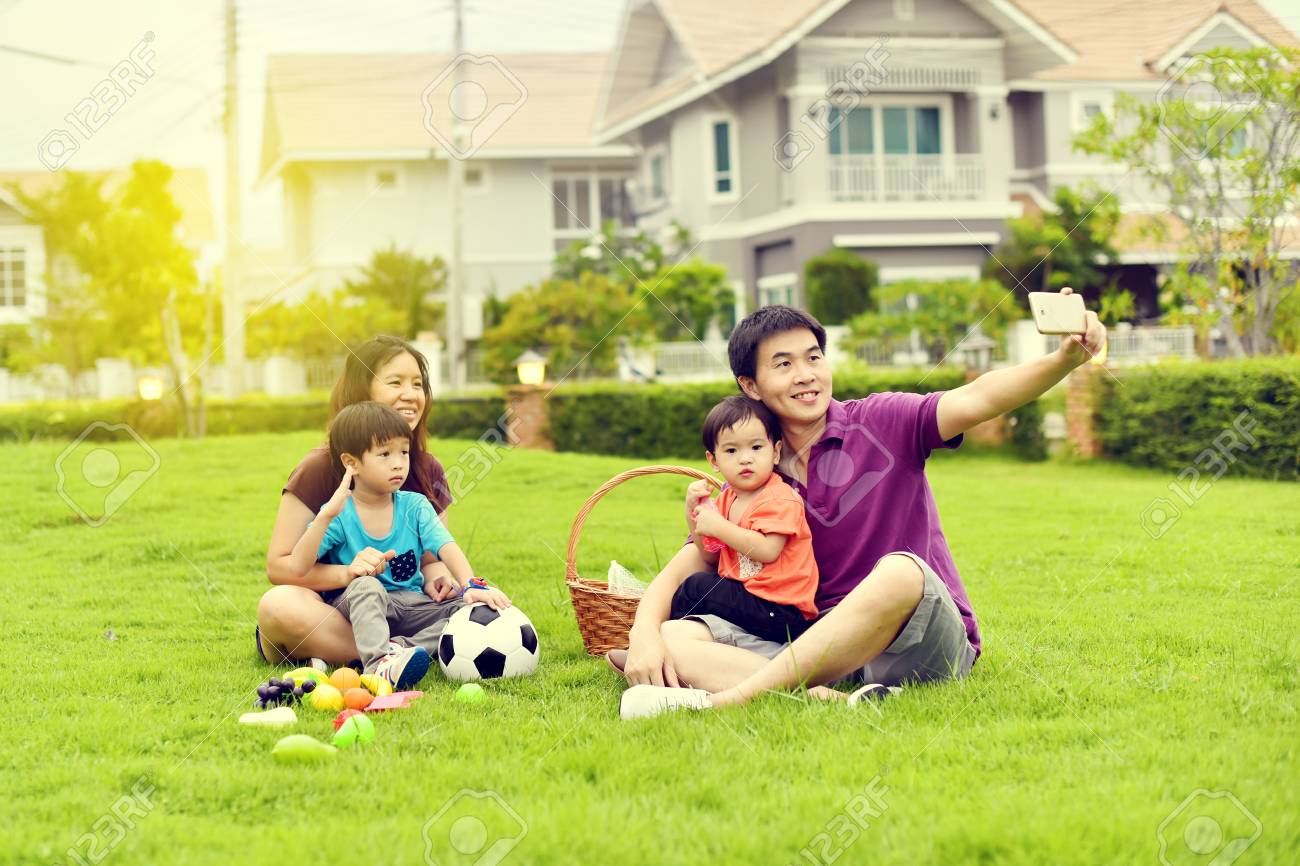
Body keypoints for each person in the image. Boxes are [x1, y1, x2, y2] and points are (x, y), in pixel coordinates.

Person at [619, 289, 1107, 719]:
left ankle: (730, 699)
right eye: (784, 364)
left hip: (917, 640)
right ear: (750, 386)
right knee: (679, 638)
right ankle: (826, 698)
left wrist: (1063, 360)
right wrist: (645, 631)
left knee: (901, 572)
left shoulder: (881, 421)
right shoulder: (752, 467)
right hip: (827, 650)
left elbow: (977, 398)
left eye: (814, 358)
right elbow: (696, 556)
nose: (806, 376)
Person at [256, 336, 457, 666]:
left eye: (418, 384)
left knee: (482, 605)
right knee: (277, 606)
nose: (411, 394)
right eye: (395, 382)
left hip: (404, 608)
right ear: (361, 392)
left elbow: (432, 560)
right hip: (333, 610)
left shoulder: (427, 468)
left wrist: (441, 578)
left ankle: (389, 652)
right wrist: (349, 574)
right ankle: (391, 655)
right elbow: (279, 566)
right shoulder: (319, 467)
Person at [287, 401, 511, 689]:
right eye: (384, 454)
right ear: (351, 462)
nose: (398, 463)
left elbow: (445, 545)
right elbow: (298, 565)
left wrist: (473, 585)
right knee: (368, 586)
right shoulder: (340, 514)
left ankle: (400, 650)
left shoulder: (415, 506)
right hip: (357, 605)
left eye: (403, 452)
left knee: (466, 609)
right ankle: (378, 666)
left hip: (410, 601)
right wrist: (326, 515)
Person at [667, 395, 818, 644]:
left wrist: (719, 525)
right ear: (714, 460)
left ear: (776, 452)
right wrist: (692, 512)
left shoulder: (779, 497)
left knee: (695, 588)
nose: (745, 458)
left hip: (783, 612)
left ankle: (671, 646)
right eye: (731, 450)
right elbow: (710, 556)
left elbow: (768, 550)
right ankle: (685, 643)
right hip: (749, 599)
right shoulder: (726, 500)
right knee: (700, 586)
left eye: (756, 448)